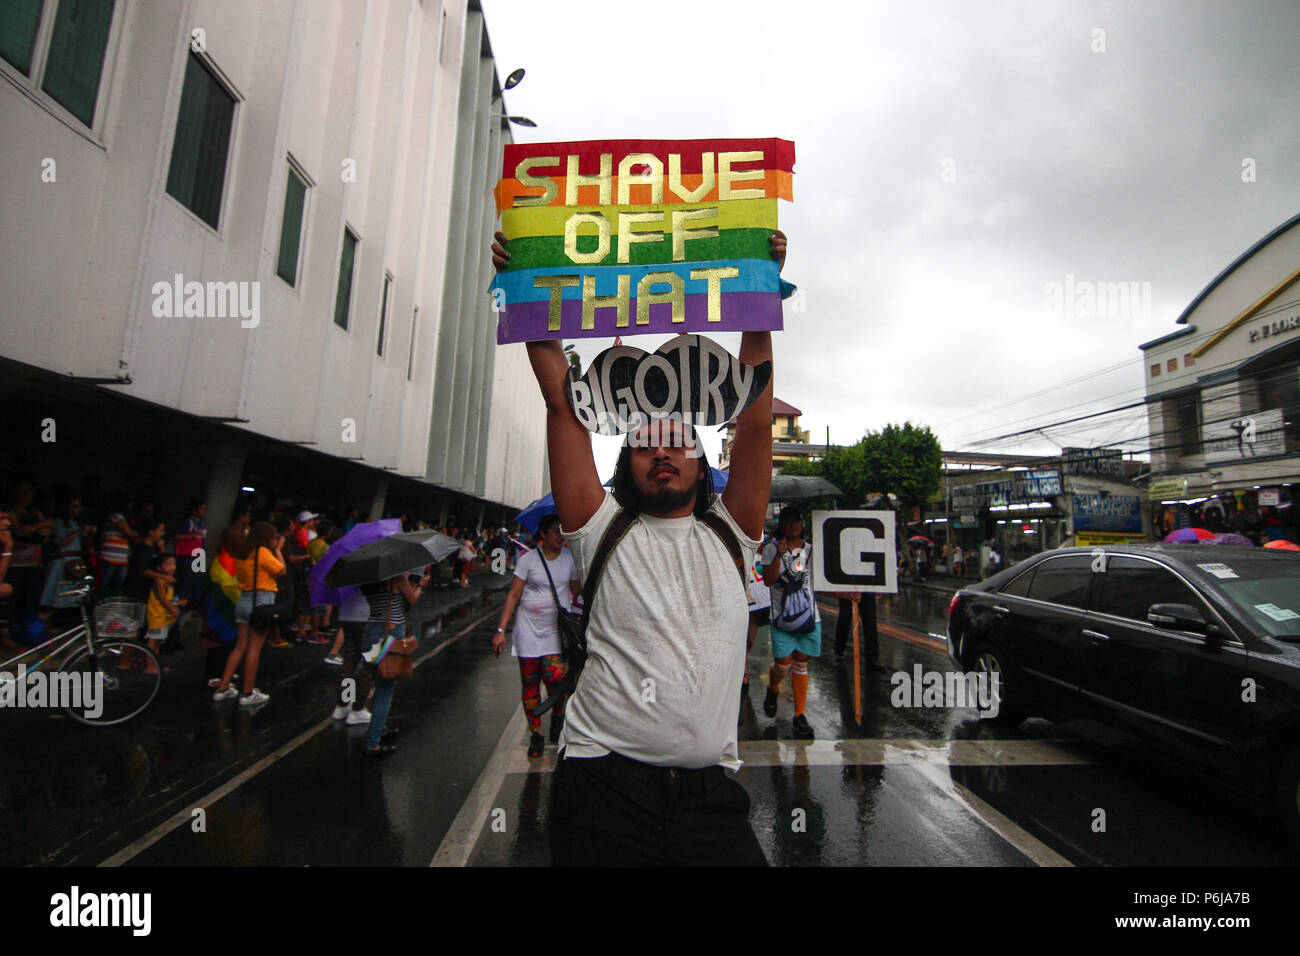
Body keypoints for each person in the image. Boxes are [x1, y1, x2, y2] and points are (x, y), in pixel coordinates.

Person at [492, 227, 785, 866]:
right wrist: (531, 293)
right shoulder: (598, 525)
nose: (661, 451)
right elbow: (563, 405)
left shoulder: (734, 526)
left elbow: (756, 413)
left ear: (704, 461)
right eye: (646, 442)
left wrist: (758, 301)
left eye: (678, 441)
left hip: (711, 797)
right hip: (602, 789)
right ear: (627, 459)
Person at [493, 513, 579, 757]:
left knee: (557, 681)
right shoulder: (528, 559)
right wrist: (500, 631)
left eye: (561, 530)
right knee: (530, 684)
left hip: (555, 634)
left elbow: (576, 590)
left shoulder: (569, 559)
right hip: (527, 633)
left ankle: (557, 715)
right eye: (554, 530)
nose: (559, 534)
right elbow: (513, 595)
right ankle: (536, 735)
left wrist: (586, 565)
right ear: (543, 534)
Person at [761, 505, 821, 739]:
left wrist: (847, 593)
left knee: (801, 662)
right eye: (788, 521)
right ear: (782, 524)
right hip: (781, 617)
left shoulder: (811, 551)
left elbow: (820, 582)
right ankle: (773, 688)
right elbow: (768, 581)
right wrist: (777, 554)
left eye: (797, 521)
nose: (793, 525)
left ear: (802, 524)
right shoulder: (771, 549)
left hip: (809, 616)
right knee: (783, 664)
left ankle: (799, 715)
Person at [357, 568, 428, 756]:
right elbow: (412, 599)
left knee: (378, 679)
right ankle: (373, 742)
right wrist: (420, 584)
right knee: (385, 689)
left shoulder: (368, 579)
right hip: (389, 634)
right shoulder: (395, 577)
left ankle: (381, 728)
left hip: (370, 631)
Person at [214, 522, 285, 706]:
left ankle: (223, 688)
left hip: (244, 599)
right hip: (260, 601)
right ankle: (247, 692)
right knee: (254, 649)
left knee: (239, 646)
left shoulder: (243, 552)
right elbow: (281, 570)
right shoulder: (262, 552)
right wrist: (278, 551)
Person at [331, 589, 376, 724]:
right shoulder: (374, 569)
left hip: (347, 615)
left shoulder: (343, 568)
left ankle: (343, 705)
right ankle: (358, 709)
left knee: (350, 660)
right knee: (369, 662)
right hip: (369, 616)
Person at [144, 553, 182, 674]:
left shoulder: (166, 581)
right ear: (159, 568)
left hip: (162, 616)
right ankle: (149, 666)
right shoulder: (160, 581)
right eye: (168, 565)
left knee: (157, 641)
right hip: (156, 615)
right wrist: (172, 609)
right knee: (153, 641)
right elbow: (162, 597)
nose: (172, 567)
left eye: (173, 564)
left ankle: (154, 664)